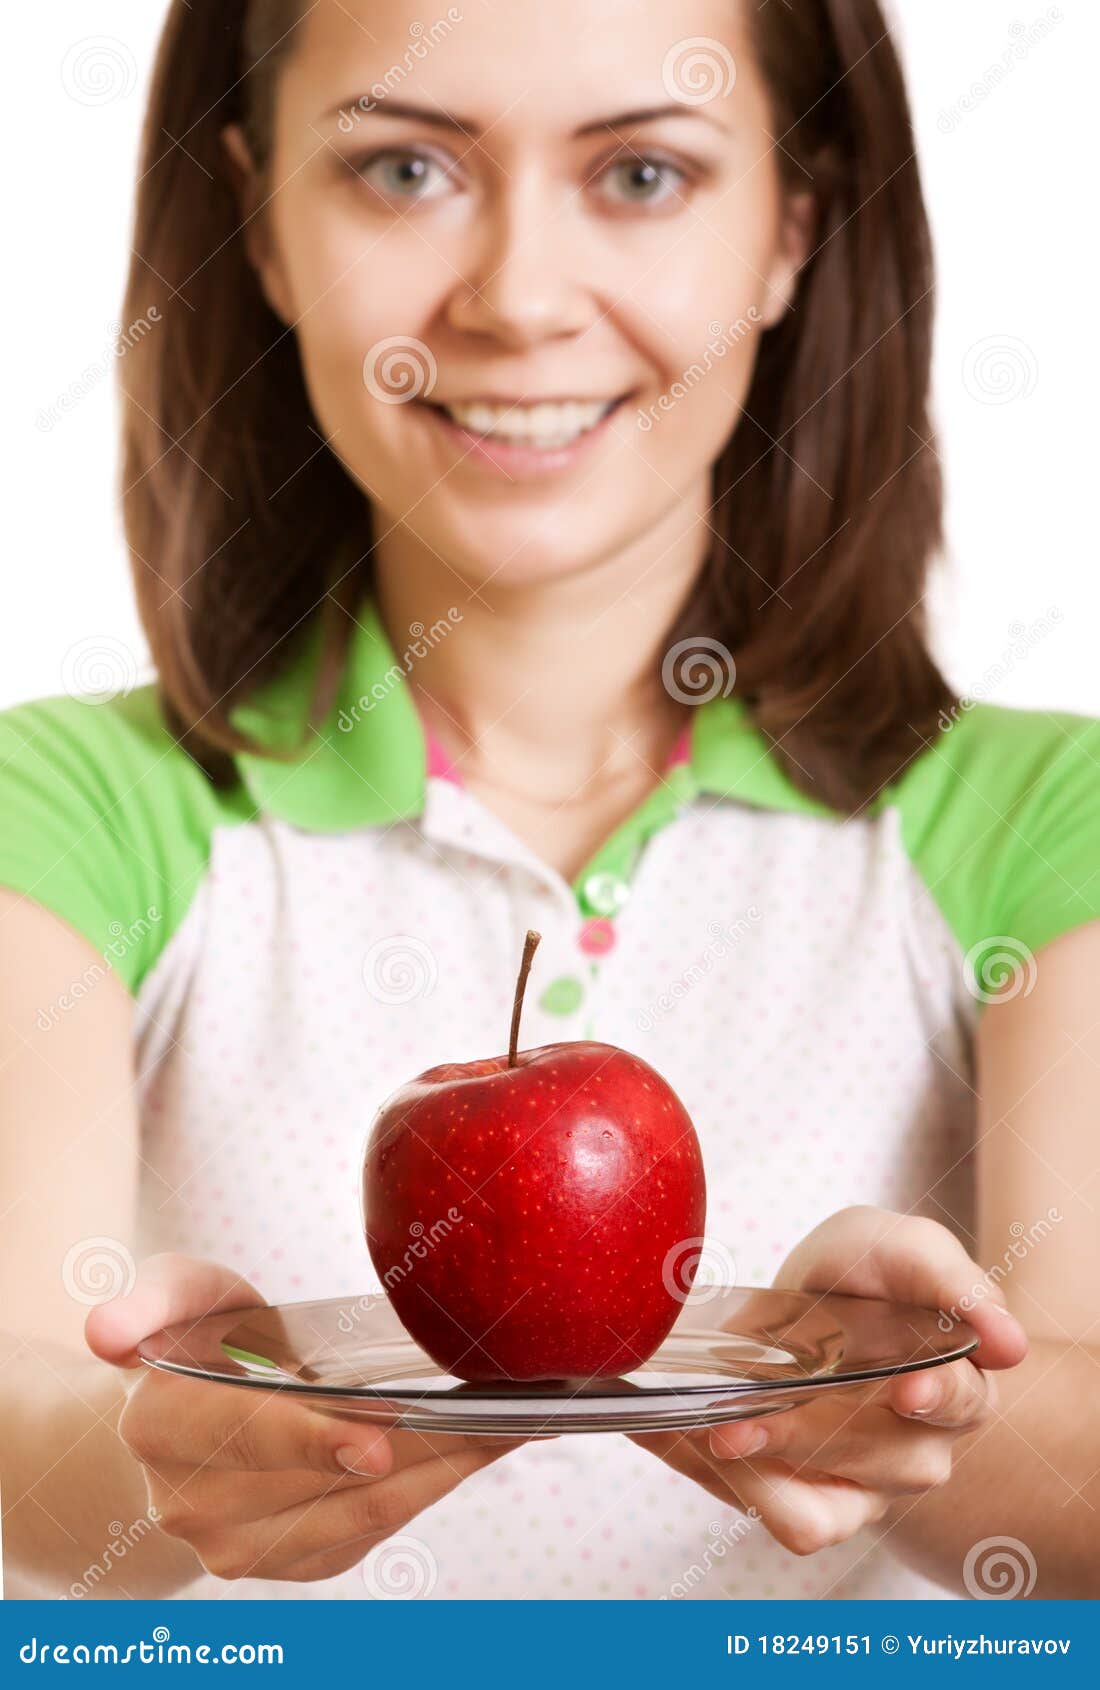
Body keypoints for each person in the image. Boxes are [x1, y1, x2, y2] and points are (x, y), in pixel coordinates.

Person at [1, 0, 1096, 1602]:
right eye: (400, 168)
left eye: (642, 174)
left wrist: (910, 1404)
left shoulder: (1040, 817)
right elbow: (20, 1395)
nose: (516, 298)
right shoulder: (78, 806)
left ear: (794, 226)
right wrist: (156, 1455)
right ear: (262, 223)